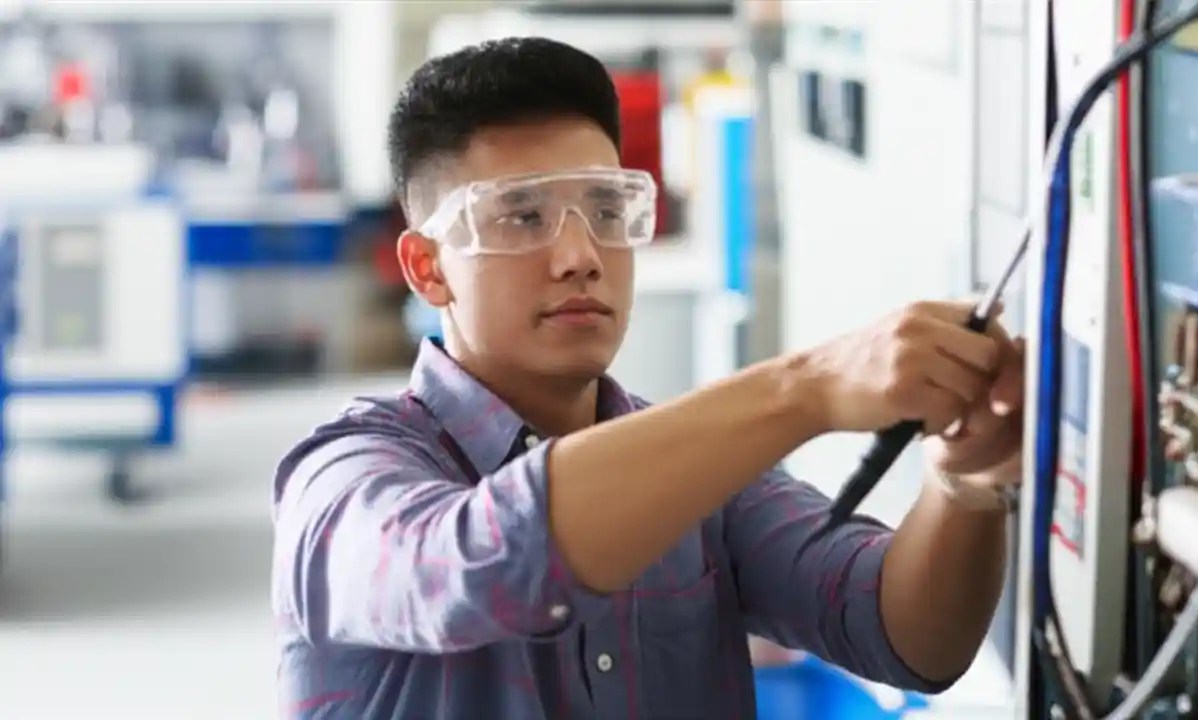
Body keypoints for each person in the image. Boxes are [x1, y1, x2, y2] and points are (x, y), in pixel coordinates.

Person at [271, 37, 1025, 720]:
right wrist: (807, 388)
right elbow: (477, 567)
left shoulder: (703, 485)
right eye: (523, 216)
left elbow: (908, 638)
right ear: (427, 268)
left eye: (606, 208)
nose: (581, 254)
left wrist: (963, 486)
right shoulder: (343, 479)